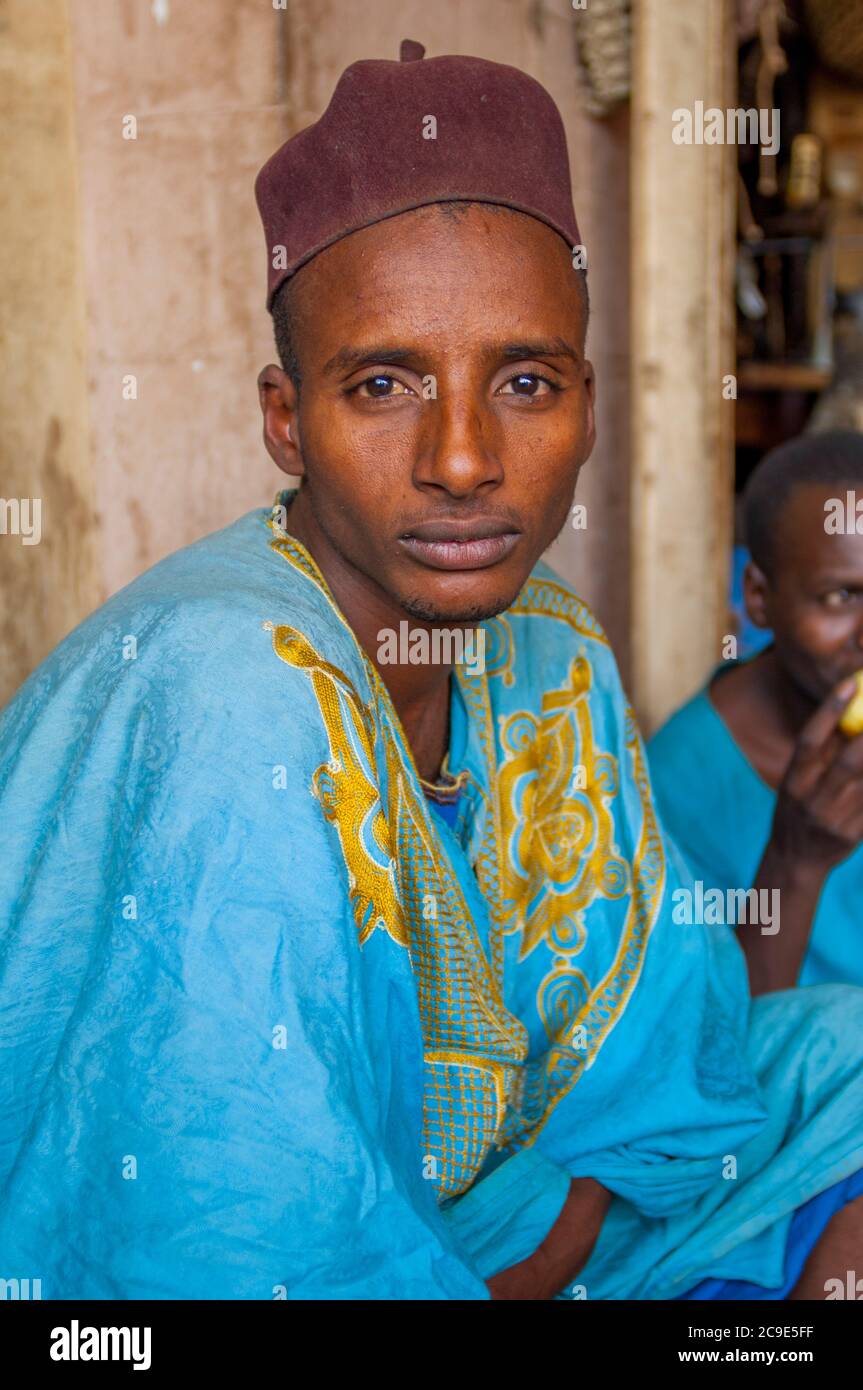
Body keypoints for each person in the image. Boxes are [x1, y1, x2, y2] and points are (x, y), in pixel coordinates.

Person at [1, 41, 862, 1302]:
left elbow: (667, 1044)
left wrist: (564, 1224)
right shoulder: (220, 689)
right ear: (285, 416)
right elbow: (235, 1218)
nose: (461, 458)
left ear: (582, 397)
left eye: (523, 380)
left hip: (534, 1212)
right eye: (383, 382)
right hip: (344, 1261)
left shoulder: (548, 638)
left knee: (841, 1046)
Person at [649, 431, 863, 995]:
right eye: (841, 597)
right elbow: (715, 1049)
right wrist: (796, 860)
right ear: (759, 598)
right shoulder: (674, 785)